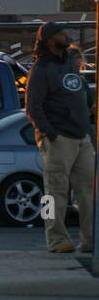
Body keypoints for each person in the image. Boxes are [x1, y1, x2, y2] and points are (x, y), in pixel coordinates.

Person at [25, 24, 94, 254]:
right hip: (57, 139)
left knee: (87, 192)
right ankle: (55, 240)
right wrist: (49, 133)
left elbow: (79, 94)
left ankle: (89, 240)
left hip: (81, 137)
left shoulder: (68, 63)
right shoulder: (40, 69)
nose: (67, 37)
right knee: (52, 194)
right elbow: (33, 107)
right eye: (62, 34)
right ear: (49, 39)